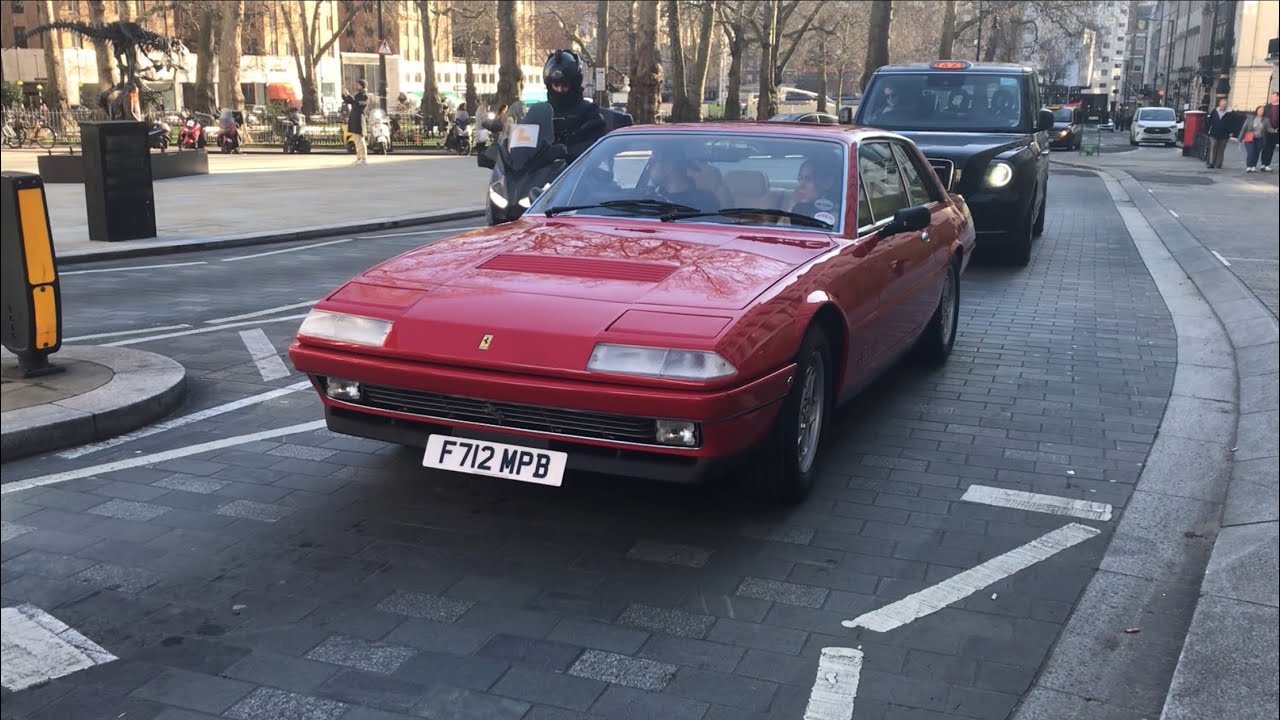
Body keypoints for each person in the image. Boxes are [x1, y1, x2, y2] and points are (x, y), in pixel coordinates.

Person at [543, 49, 609, 156]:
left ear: (574, 84)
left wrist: (567, 151)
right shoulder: (540, 112)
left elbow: (597, 148)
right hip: (542, 170)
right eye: (556, 85)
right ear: (549, 85)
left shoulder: (589, 112)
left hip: (577, 169)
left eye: (564, 85)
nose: (560, 90)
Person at [648, 149, 720, 211]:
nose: (649, 168)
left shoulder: (705, 201)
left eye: (652, 162)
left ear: (668, 167)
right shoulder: (647, 198)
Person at [789, 155, 841, 222]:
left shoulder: (835, 216)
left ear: (827, 183)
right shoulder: (800, 208)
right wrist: (792, 205)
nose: (800, 185)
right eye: (800, 178)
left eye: (808, 179)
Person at [342, 79, 369, 165]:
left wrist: (349, 96)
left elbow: (358, 103)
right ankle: (359, 157)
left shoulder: (365, 96)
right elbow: (350, 101)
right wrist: (344, 94)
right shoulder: (358, 95)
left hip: (359, 120)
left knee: (360, 140)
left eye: (358, 85)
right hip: (354, 119)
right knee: (356, 140)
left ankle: (363, 158)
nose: (357, 86)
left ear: (362, 85)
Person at [1204, 97, 1231, 169]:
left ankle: (1219, 163)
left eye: (1225, 104)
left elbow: (1232, 123)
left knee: (1221, 149)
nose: (1224, 106)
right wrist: (1207, 130)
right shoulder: (1215, 111)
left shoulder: (1229, 113)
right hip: (1214, 133)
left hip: (1224, 134)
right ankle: (1211, 163)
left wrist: (1231, 132)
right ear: (1219, 104)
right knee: (1213, 147)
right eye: (1222, 104)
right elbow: (1210, 121)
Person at [1240, 106, 1266, 173]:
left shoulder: (1265, 119)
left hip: (1259, 138)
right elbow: (1244, 128)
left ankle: (1253, 166)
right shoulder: (1250, 118)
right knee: (1251, 152)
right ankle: (1249, 166)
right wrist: (1240, 138)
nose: (1261, 111)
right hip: (1250, 137)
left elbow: (1269, 128)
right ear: (1257, 110)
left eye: (1262, 110)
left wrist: (1274, 130)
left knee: (1256, 153)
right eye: (1260, 110)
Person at [1261, 91, 1279, 172]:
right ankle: (1263, 164)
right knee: (1265, 146)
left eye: (1273, 97)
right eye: (1271, 97)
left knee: (1271, 147)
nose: (1271, 98)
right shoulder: (1267, 107)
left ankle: (1267, 164)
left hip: (1276, 131)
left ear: (1278, 97)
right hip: (1266, 130)